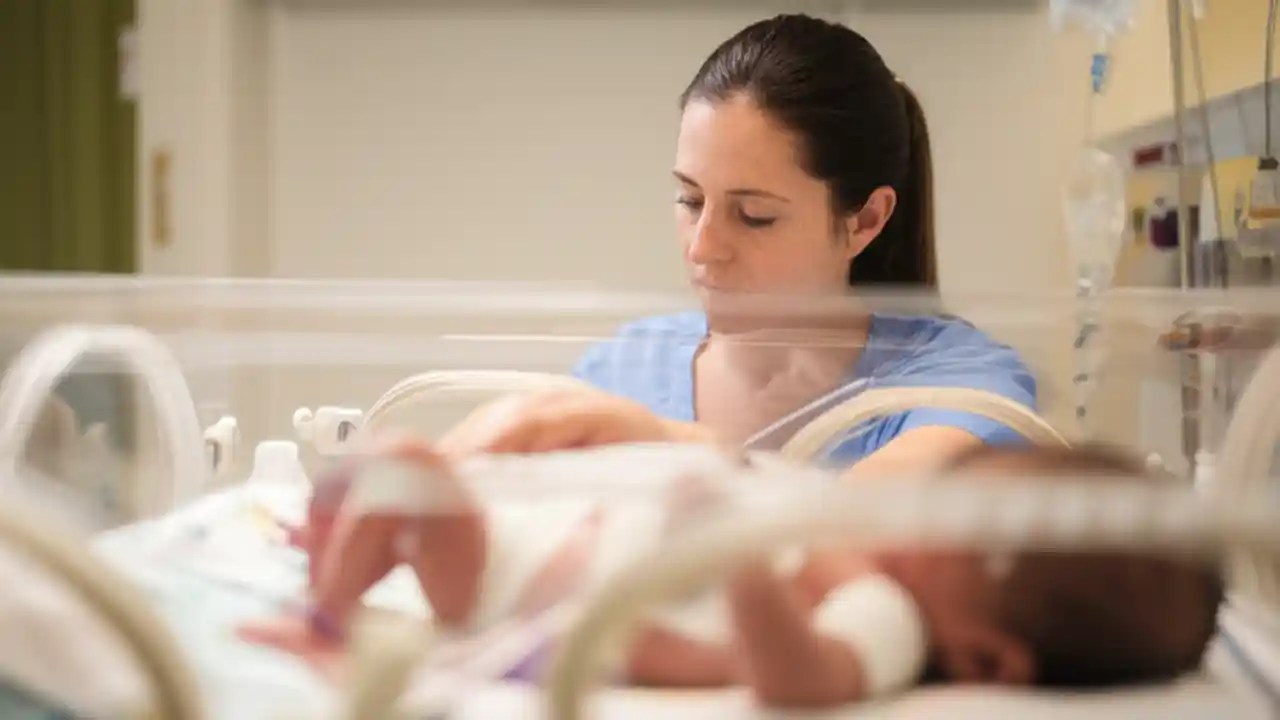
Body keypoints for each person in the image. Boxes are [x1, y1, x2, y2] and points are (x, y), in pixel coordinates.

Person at [246, 438, 1221, 709]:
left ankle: (324, 622)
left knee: (410, 479)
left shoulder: (882, 617)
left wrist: (741, 560)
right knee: (394, 473)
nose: (927, 513)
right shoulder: (859, 550)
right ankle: (329, 575)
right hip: (541, 543)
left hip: (539, 594)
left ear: (987, 662)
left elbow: (795, 681)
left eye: (967, 533)